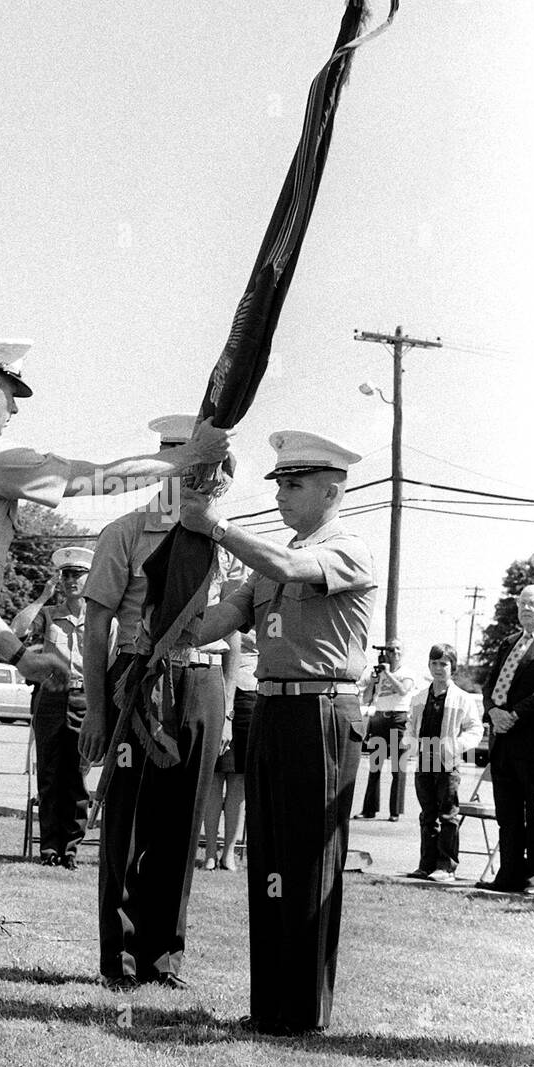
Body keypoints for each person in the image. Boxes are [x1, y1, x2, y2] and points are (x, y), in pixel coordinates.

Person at [0, 345, 232, 1054]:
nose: (15, 409)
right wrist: (183, 464)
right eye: (11, 392)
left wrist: (21, 652)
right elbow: (89, 478)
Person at [180, 430, 376, 1035]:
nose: (284, 495)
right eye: (280, 484)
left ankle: (303, 1009)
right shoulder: (272, 557)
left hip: (321, 713)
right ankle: (269, 1004)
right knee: (268, 857)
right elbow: (218, 619)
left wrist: (216, 527)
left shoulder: (345, 549)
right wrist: (169, 614)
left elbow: (289, 567)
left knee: (309, 858)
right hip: (269, 708)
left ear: (332, 490)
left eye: (294, 485)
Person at [79, 413, 242, 991]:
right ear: (169, 468)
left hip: (200, 683)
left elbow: (233, 625)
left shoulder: (224, 535)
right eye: (195, 467)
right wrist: (97, 710)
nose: (207, 479)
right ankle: (121, 959)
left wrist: (221, 708)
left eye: (214, 467)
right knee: (126, 824)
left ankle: (163, 959)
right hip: (138, 682)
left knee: (180, 827)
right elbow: (95, 625)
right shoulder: (126, 532)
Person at [12, 546, 94, 869]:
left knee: (77, 773)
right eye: (67, 575)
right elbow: (17, 630)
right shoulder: (49, 615)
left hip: (83, 698)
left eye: (78, 574)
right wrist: (42, 598)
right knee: (48, 773)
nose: (72, 580)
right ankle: (49, 849)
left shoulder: (101, 617)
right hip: (49, 697)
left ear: (90, 578)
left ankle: (71, 848)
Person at [478, 584, 534, 895]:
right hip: (503, 739)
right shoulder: (509, 642)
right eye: (522, 603)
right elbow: (490, 685)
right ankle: (508, 876)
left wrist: (513, 714)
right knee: (507, 812)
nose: (526, 608)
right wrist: (493, 712)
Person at [402, 644, 483, 883]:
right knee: (428, 815)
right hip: (424, 762)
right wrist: (410, 742)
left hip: (448, 765)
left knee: (447, 815)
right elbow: (409, 724)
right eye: (434, 663)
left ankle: (446, 866)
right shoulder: (419, 697)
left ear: (453, 668)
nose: (438, 668)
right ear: (429, 665)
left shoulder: (462, 699)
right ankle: (426, 864)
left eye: (444, 664)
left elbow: (475, 729)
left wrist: (454, 746)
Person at [202, 628, 255, 870]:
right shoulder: (231, 601)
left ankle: (229, 852)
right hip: (217, 686)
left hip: (251, 692)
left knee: (238, 783)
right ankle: (210, 851)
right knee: (214, 779)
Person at [353, 639, 417, 822]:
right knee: (375, 766)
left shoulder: (407, 673)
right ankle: (369, 809)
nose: (393, 652)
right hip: (380, 718)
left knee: (398, 768)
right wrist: (373, 682)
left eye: (397, 649)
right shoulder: (378, 673)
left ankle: (395, 811)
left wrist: (388, 674)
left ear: (402, 652)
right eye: (390, 649)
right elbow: (366, 698)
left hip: (398, 719)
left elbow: (403, 691)